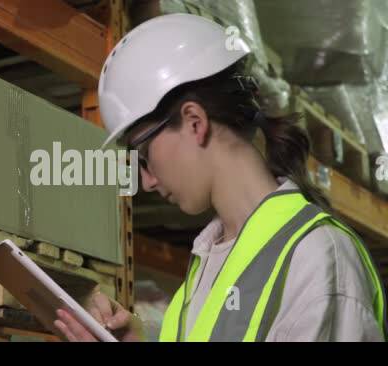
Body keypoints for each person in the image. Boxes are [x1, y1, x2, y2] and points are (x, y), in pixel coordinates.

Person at [53, 13, 387, 342]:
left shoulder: (316, 256)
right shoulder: (211, 260)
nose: (146, 181)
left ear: (194, 122)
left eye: (144, 156)